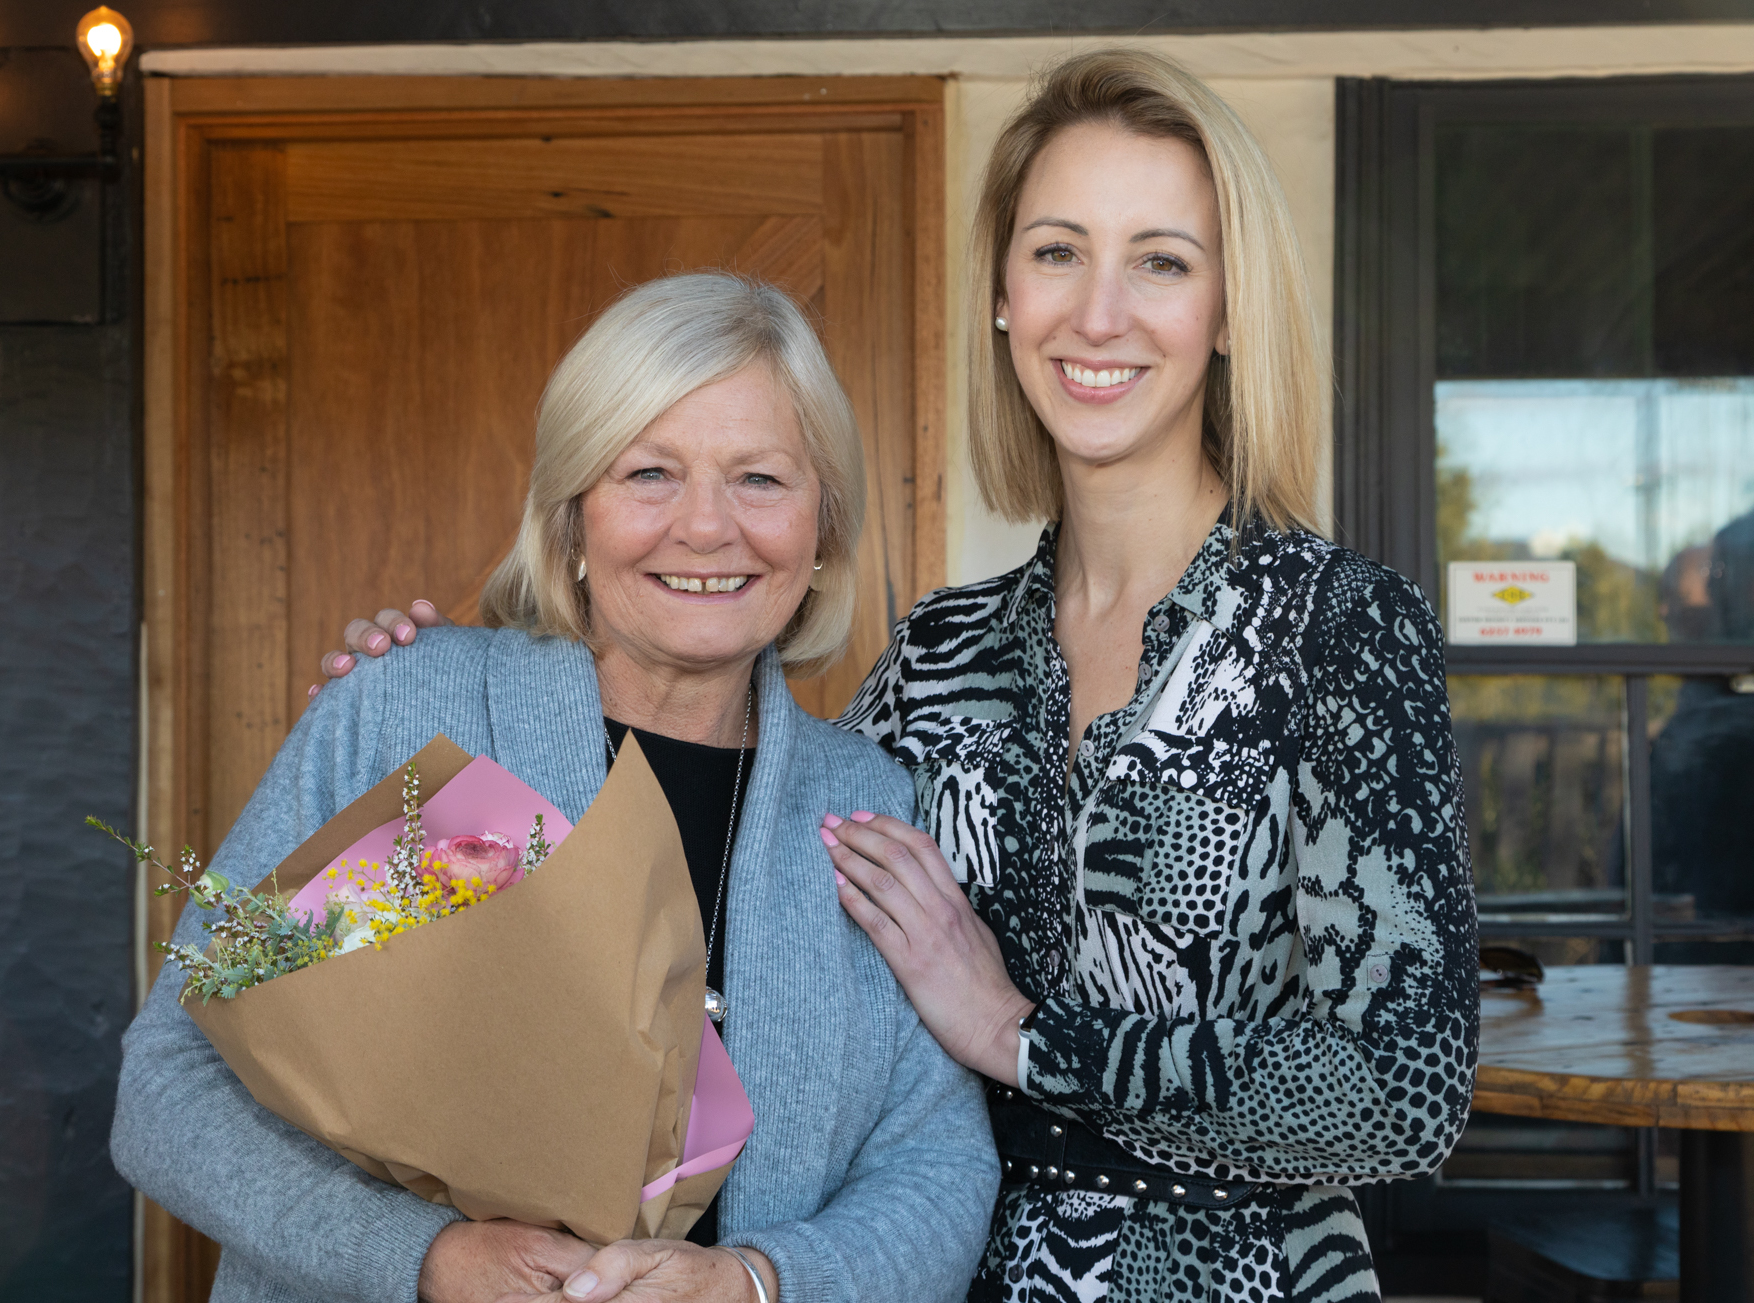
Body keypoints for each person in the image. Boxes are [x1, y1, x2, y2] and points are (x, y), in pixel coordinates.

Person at [320, 50, 1479, 1302]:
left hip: (1241, 1275)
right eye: (1055, 252)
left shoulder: (1340, 629)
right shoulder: (943, 648)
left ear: (1231, 308)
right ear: (999, 293)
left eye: (1161, 259)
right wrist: (455, 697)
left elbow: (1403, 1095)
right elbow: (764, 892)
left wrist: (1020, 1035)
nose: (1099, 313)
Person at [112, 272, 1000, 1303]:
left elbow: (939, 1163)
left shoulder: (866, 806)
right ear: (573, 517)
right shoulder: (421, 722)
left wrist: (759, 1284)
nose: (707, 527)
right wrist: (422, 1259)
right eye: (649, 473)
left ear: (822, 528)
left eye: (760, 479)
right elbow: (174, 1088)